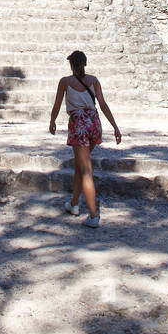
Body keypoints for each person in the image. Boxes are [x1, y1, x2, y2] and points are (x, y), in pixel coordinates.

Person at [49, 51, 121, 227]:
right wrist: (115, 127)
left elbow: (57, 104)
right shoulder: (94, 80)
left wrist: (52, 121)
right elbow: (102, 104)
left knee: (86, 169)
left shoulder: (65, 82)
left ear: (71, 65)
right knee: (80, 165)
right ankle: (74, 204)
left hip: (79, 124)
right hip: (94, 123)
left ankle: (93, 215)